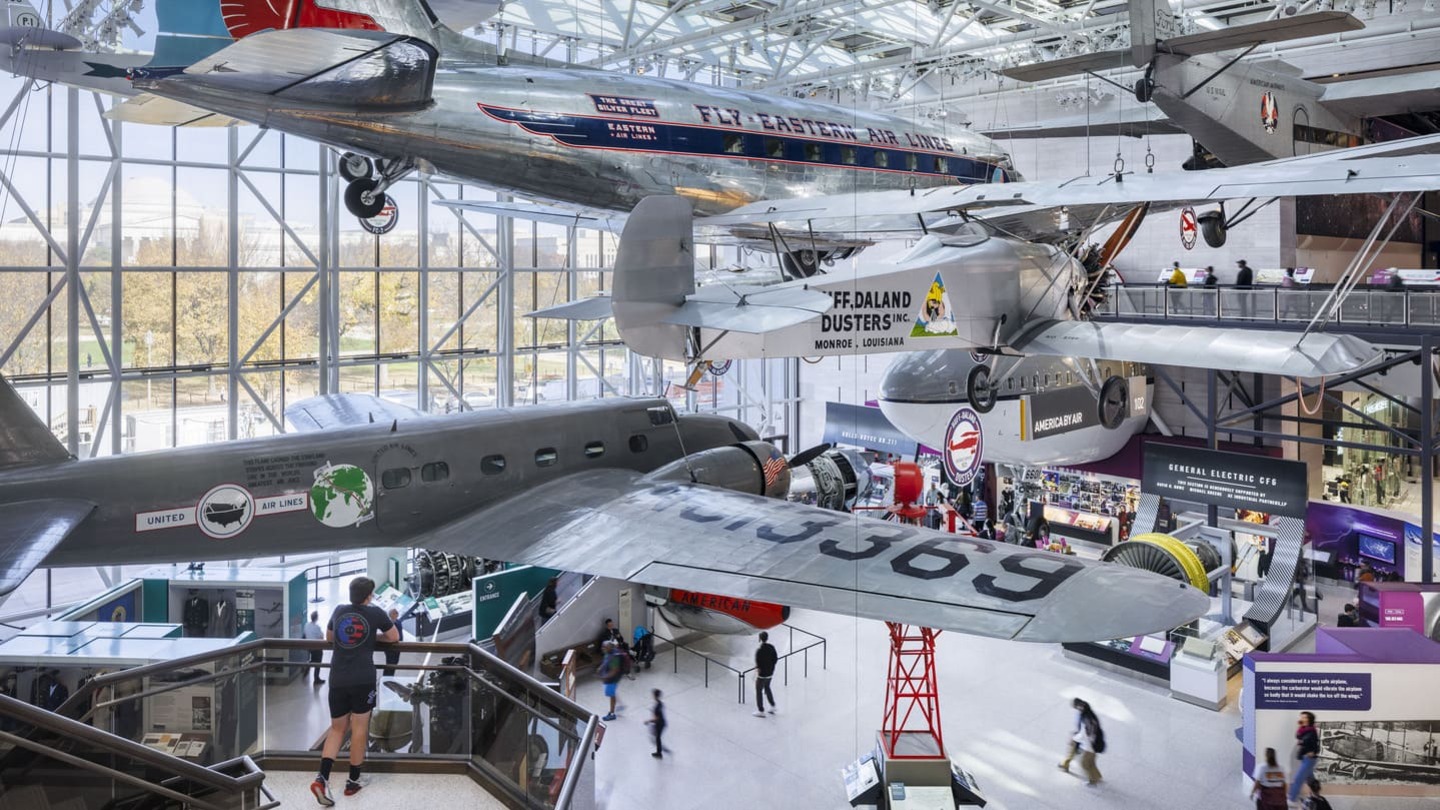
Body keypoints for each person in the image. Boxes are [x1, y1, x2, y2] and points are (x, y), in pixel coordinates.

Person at [312, 576, 398, 806]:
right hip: (363, 680)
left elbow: (329, 637)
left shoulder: (340, 610)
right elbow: (393, 637)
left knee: (337, 729)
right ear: (369, 596)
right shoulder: (375, 613)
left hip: (337, 678)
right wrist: (373, 636)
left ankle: (322, 778)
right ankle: (353, 781)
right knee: (359, 728)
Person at [1057, 697, 1104, 786]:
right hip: (1093, 743)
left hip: (1089, 745)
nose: (1077, 709)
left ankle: (1093, 780)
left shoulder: (1086, 718)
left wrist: (1074, 738)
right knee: (1090, 762)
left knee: (1084, 763)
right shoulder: (1088, 713)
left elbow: (1084, 734)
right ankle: (1097, 776)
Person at [1288, 711, 1320, 804]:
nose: (1302, 719)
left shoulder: (1312, 730)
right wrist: (1300, 727)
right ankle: (1316, 795)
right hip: (1306, 758)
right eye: (1301, 717)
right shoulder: (1304, 729)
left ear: (1309, 719)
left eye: (1304, 717)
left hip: (1309, 759)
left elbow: (1304, 741)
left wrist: (1301, 742)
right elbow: (1297, 736)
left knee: (1298, 779)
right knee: (1311, 779)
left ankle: (1292, 799)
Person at [596, 640, 623, 721]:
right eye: (602, 647)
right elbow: (606, 661)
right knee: (611, 693)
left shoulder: (614, 657)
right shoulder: (608, 653)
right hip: (609, 677)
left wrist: (605, 677)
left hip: (612, 679)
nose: (602, 648)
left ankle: (612, 713)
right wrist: (601, 667)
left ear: (609, 648)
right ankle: (619, 705)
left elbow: (614, 670)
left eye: (604, 647)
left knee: (611, 694)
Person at [753, 630, 778, 717]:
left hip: (762, 675)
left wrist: (759, 669)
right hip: (770, 673)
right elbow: (775, 659)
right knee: (767, 687)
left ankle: (761, 710)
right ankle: (772, 705)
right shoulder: (771, 647)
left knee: (759, 690)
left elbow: (758, 663)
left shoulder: (759, 650)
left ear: (760, 639)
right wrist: (771, 667)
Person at [304, 610, 326, 686]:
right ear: (316, 618)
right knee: (318, 663)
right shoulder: (317, 627)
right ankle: (316, 679)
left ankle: (308, 665)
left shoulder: (306, 625)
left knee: (313, 659)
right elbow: (321, 637)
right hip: (317, 647)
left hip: (309, 647)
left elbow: (305, 634)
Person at [381, 608, 403, 678]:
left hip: (396, 647)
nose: (397, 614)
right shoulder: (391, 624)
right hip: (391, 648)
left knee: (393, 663)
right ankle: (387, 678)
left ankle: (389, 677)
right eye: (395, 613)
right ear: (392, 615)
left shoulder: (397, 622)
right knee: (391, 664)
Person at [647, 688, 668, 759]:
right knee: (657, 738)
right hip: (662, 723)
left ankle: (659, 753)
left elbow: (657, 718)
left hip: (659, 724)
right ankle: (659, 751)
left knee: (657, 738)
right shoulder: (660, 703)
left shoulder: (657, 707)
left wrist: (648, 721)